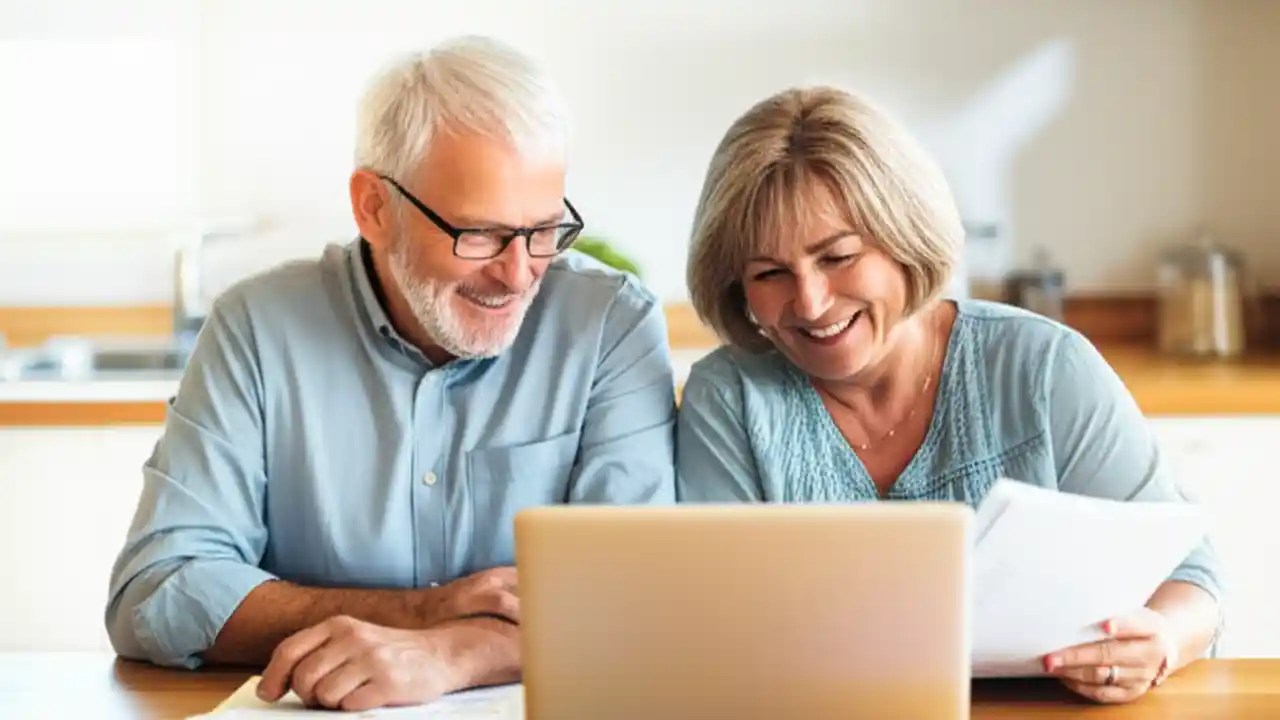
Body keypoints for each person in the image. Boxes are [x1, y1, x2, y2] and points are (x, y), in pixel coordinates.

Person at [105, 36, 677, 711]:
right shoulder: (256, 330)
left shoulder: (610, 325)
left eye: (544, 230)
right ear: (374, 207)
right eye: (481, 235)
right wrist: (420, 613)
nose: (519, 274)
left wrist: (450, 655)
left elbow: (636, 601)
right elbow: (157, 591)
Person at [675, 85, 1222, 704]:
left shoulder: (1043, 368)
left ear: (904, 238)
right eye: (770, 273)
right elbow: (718, 628)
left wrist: (1161, 642)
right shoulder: (730, 396)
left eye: (839, 257)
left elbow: (1189, 577)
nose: (811, 302)